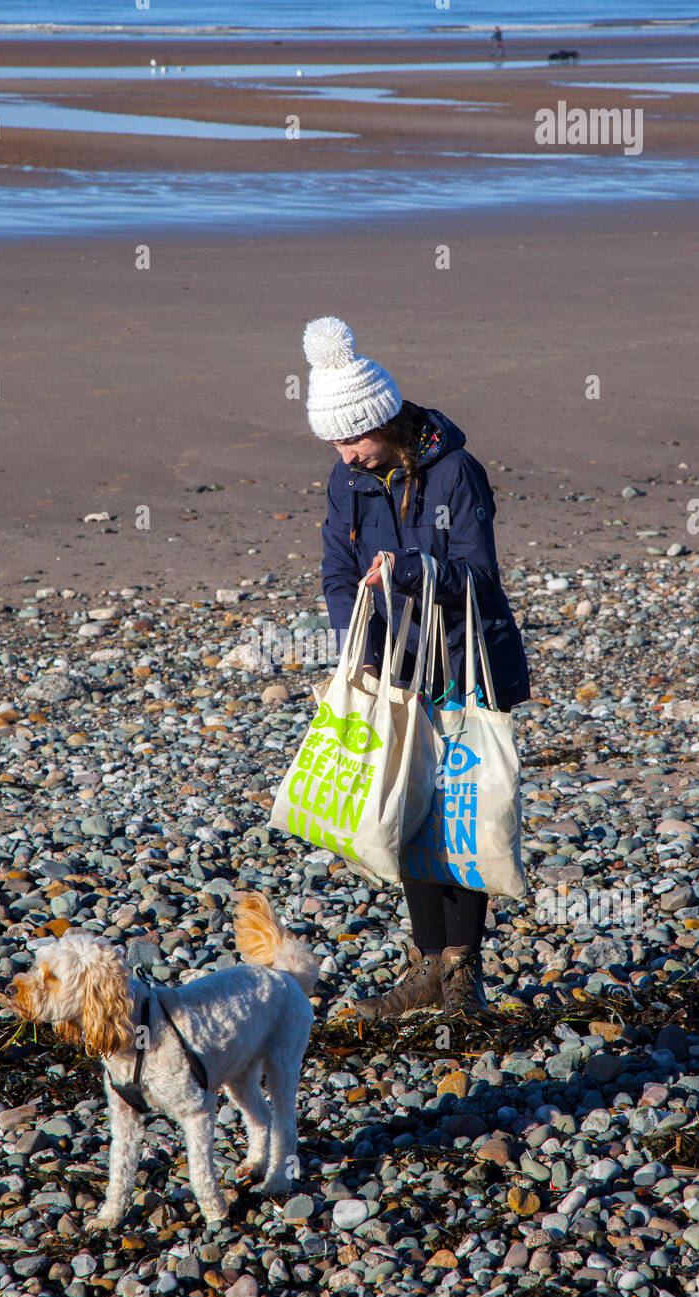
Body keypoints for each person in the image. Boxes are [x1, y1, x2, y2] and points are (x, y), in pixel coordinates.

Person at [302, 315, 530, 1020]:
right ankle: (426, 969)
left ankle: (464, 978)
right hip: (395, 664)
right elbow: (340, 574)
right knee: (406, 811)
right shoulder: (350, 484)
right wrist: (358, 647)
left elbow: (479, 577)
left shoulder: (457, 472)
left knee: (462, 817)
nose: (345, 455)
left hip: (466, 664)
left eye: (352, 438)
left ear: (385, 421)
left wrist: (408, 572)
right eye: (335, 441)